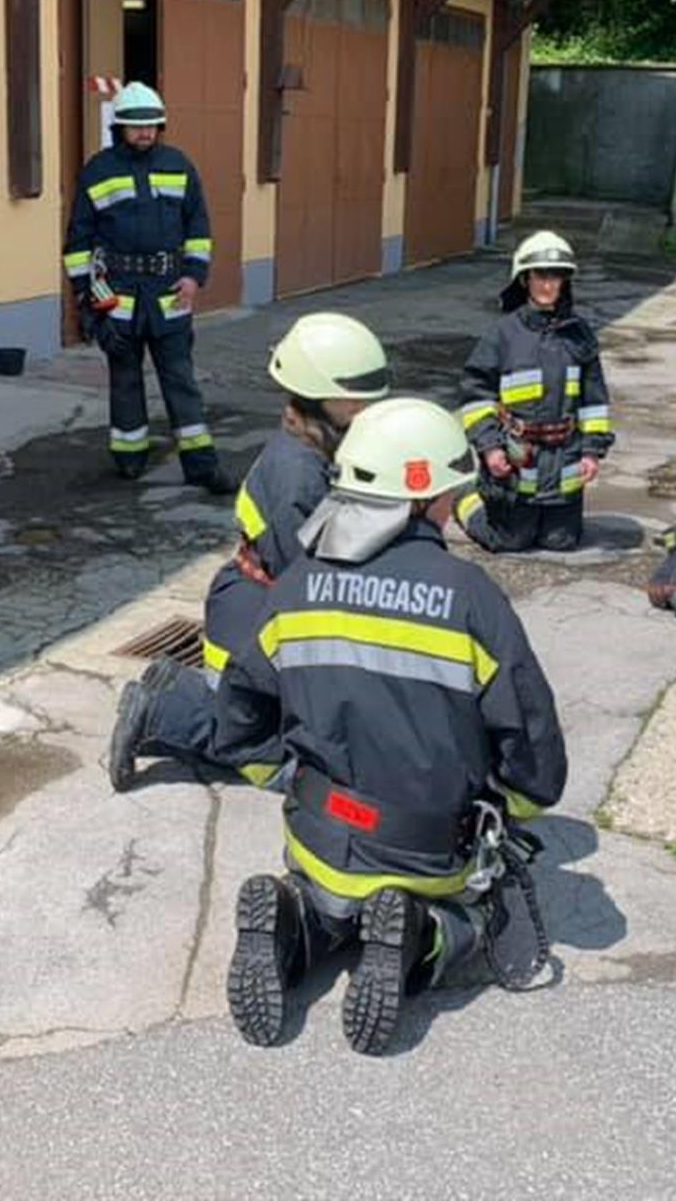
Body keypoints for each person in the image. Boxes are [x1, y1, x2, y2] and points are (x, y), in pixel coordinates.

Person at [213, 398, 569, 1055]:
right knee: (475, 915)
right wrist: (507, 809)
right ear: (425, 497)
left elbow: (236, 721)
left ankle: (299, 922)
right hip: (429, 849)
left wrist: (284, 777)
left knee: (327, 896)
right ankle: (418, 932)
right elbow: (535, 751)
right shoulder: (469, 597)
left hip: (320, 833)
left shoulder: (293, 589)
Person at [107, 312, 390, 791]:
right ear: (315, 397)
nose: (368, 408)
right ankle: (163, 710)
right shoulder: (298, 474)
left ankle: (183, 691)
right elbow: (314, 581)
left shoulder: (316, 448)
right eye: (355, 398)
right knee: (301, 766)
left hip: (257, 603)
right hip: (256, 617)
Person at [62, 81, 233, 494]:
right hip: (116, 294)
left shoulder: (179, 164)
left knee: (180, 379)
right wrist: (87, 299)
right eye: (136, 127)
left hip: (170, 291)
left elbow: (198, 227)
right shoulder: (97, 170)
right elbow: (78, 242)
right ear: (119, 127)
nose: (145, 133)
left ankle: (201, 464)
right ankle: (129, 457)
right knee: (124, 378)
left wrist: (193, 276)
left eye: (153, 126)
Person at [454, 231, 614, 552]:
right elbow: (476, 395)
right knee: (509, 541)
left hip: (564, 461)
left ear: (564, 282)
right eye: (540, 276)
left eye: (555, 277)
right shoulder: (503, 334)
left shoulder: (579, 334)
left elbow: (594, 401)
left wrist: (591, 451)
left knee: (562, 542)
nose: (547, 285)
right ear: (525, 279)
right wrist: (490, 448)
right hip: (517, 463)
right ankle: (466, 499)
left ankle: (548, 519)